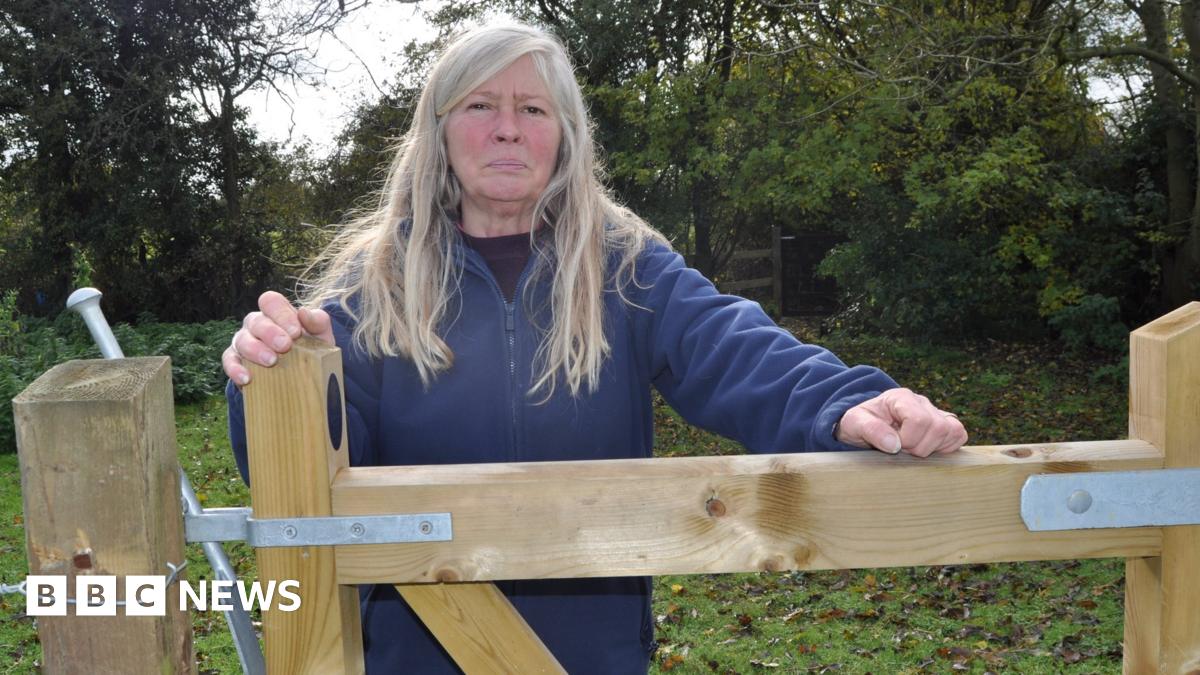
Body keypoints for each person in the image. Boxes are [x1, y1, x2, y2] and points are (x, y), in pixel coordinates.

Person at [223, 22, 968, 674]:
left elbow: (738, 349)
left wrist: (849, 404)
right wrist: (272, 371)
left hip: (592, 654)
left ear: (565, 135)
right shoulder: (371, 285)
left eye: (532, 108)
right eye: (481, 105)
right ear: (440, 131)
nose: (507, 127)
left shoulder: (624, 266)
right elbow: (295, 470)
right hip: (417, 654)